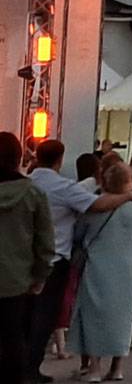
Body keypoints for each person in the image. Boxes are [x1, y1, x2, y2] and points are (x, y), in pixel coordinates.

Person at [25, 139, 132, 380]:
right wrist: (128, 197)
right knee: (45, 316)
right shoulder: (64, 187)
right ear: (60, 159)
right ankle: (32, 367)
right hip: (57, 258)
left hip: (23, 258)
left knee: (22, 315)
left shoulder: (26, 183)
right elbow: (96, 205)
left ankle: (22, 365)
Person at [69, 162, 132, 384]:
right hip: (127, 267)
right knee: (123, 315)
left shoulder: (94, 210)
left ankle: (94, 368)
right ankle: (117, 367)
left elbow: (79, 236)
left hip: (98, 265)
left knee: (94, 315)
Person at [0, 132, 55, 384]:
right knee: (14, 339)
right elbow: (44, 240)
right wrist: (41, 274)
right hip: (18, 280)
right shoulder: (34, 194)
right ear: (19, 158)